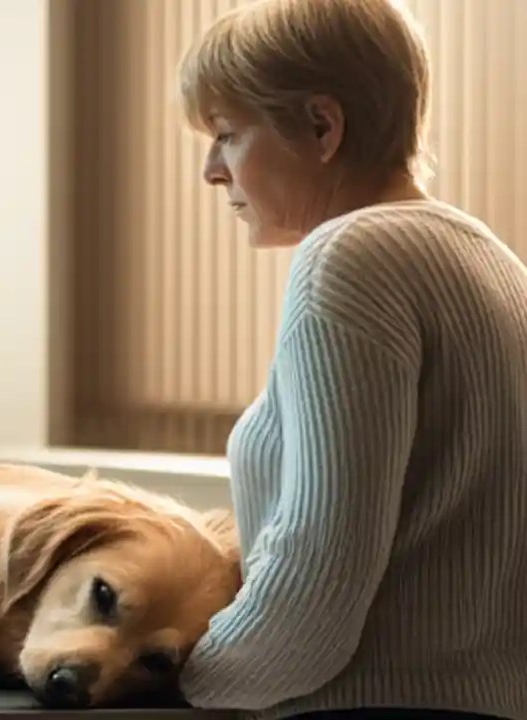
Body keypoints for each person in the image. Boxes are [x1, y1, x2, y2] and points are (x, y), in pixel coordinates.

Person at [172, 1, 527, 719]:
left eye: (229, 135)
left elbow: (318, 576)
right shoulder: (495, 262)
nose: (213, 170)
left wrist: (189, 680)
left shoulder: (349, 256)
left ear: (322, 127)